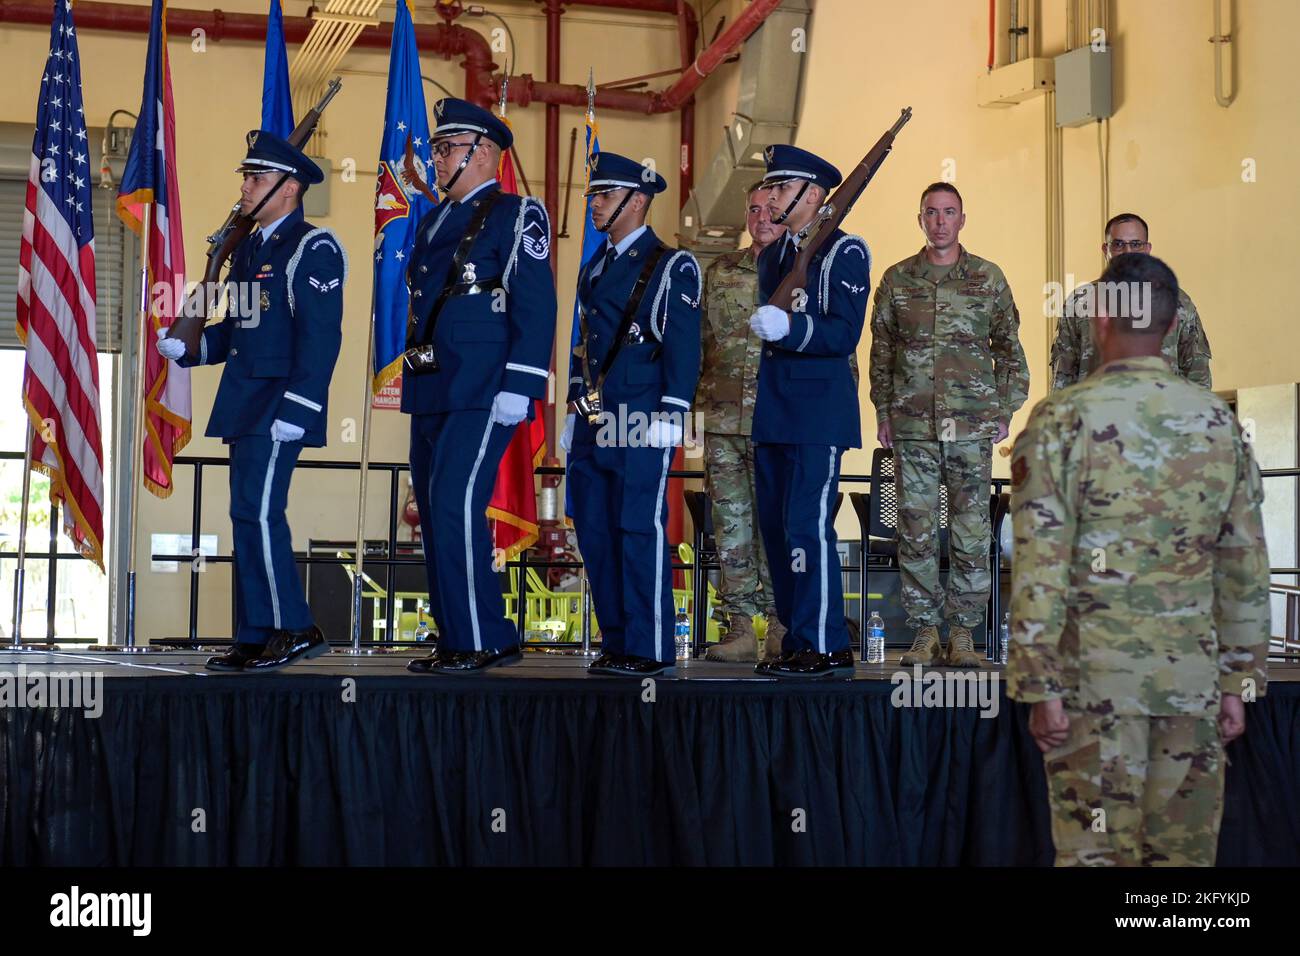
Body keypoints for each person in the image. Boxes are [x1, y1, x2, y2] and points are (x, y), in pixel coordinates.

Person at [1007, 253, 1270, 867]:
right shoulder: (1218, 424)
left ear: (1099, 317)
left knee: (1094, 857)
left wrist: (1038, 685)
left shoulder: (1060, 420)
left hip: (1090, 691)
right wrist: (1240, 683)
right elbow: (1245, 569)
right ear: (1175, 324)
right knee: (1180, 874)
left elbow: (1041, 564)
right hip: (1193, 687)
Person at [157, 130, 345, 671]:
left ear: (289, 188)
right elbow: (240, 332)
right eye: (245, 176)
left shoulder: (314, 247)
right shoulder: (250, 250)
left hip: (281, 403)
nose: (245, 186)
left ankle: (295, 625)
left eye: (257, 178)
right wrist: (191, 346)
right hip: (245, 401)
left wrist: (302, 406)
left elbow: (319, 337)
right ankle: (258, 630)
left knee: (261, 512)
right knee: (245, 513)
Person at [401, 98, 556, 675]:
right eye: (437, 148)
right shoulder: (437, 217)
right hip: (434, 383)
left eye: (447, 149)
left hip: (486, 385)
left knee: (455, 502)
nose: (436, 159)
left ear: (484, 152)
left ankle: (479, 638)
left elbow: (535, 302)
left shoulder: (518, 214)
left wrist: (522, 382)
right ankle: (460, 633)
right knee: (435, 512)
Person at [868, 182, 1028, 668]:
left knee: (971, 531)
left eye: (949, 212)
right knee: (915, 529)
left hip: (972, 426)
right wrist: (883, 413)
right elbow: (881, 353)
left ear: (962, 219)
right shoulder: (897, 280)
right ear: (920, 219)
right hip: (913, 426)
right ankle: (923, 634)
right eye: (931, 213)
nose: (940, 221)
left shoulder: (987, 278)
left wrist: (1005, 409)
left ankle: (962, 634)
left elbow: (1010, 351)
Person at [561, 150, 701, 677]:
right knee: (595, 526)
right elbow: (588, 349)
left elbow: (683, 346)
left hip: (644, 416)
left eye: (604, 195)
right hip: (597, 417)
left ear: (637, 201)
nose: (594, 204)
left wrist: (674, 409)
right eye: (594, 195)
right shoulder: (596, 265)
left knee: (638, 525)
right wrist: (576, 407)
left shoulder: (670, 264)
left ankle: (647, 645)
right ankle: (617, 638)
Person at [746, 144, 868, 679]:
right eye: (770, 187)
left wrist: (792, 330)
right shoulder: (775, 255)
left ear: (812, 194)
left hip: (818, 414)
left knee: (807, 526)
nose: (769, 196)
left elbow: (844, 334)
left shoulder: (846, 252)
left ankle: (825, 641)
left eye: (780, 187)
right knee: (775, 529)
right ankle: (798, 637)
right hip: (776, 409)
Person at [698, 183, 786, 663]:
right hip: (723, 419)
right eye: (753, 210)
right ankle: (738, 627)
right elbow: (700, 341)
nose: (761, 219)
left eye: (772, 210)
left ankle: (778, 624)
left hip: (779, 421)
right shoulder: (720, 271)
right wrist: (687, 407)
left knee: (774, 524)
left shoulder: (803, 271)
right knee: (730, 524)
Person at [1051, 212, 1212, 390]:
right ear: (1106, 250)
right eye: (1118, 244)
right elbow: (1063, 377)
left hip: (1162, 412)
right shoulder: (1079, 302)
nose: (1127, 252)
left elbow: (1197, 376)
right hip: (1094, 412)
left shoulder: (1177, 301)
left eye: (1136, 244)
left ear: (1147, 249)